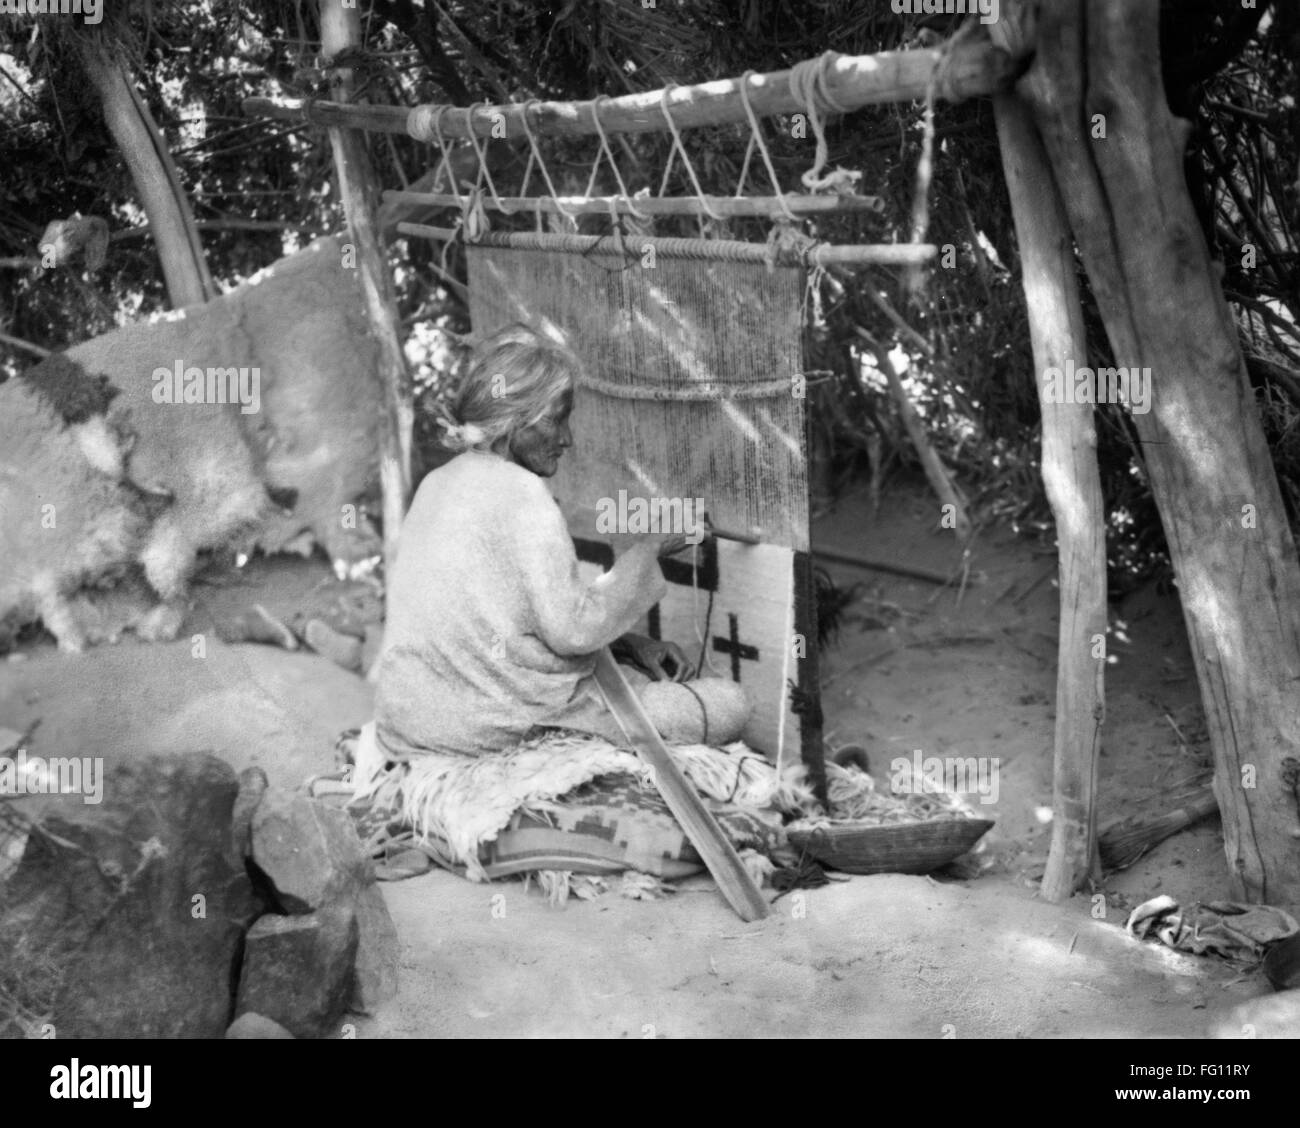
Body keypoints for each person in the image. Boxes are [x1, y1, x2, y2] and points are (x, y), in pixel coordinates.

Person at [372, 322, 728, 761]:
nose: (567, 439)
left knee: (643, 682)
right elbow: (573, 630)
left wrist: (632, 645)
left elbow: (506, 622)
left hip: (408, 718)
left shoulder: (436, 483)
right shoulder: (522, 493)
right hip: (487, 727)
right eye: (555, 420)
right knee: (727, 705)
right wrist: (651, 548)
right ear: (511, 421)